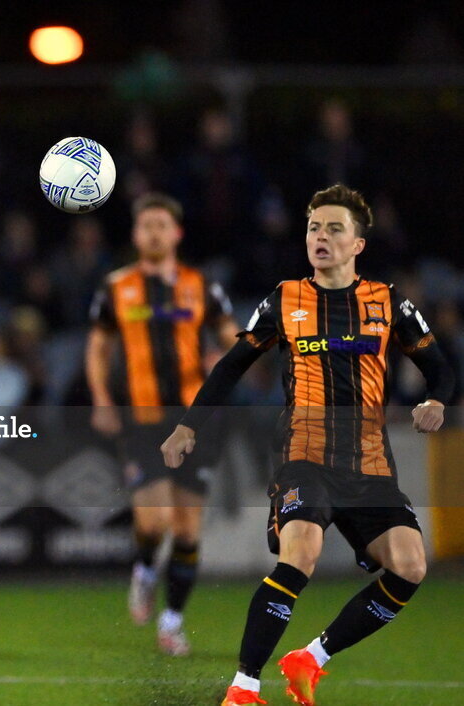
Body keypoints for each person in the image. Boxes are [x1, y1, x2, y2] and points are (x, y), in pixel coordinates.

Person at [160, 184, 454, 706]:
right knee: (303, 552)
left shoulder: (389, 302)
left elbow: (440, 370)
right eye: (315, 227)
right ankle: (243, 689)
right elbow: (231, 367)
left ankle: (311, 658)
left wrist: (436, 400)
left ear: (358, 243)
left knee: (410, 565)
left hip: (368, 463)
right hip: (304, 453)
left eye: (334, 228)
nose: (321, 237)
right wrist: (188, 426)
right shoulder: (284, 299)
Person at [86, 192, 238, 656]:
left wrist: (223, 354)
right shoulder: (117, 286)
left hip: (195, 421)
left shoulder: (201, 285)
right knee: (153, 523)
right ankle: (145, 569)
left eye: (161, 224)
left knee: (187, 528)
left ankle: (171, 623)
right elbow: (98, 348)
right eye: (146, 224)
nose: (154, 232)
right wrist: (101, 399)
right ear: (135, 235)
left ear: (176, 233)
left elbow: (233, 338)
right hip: (142, 420)